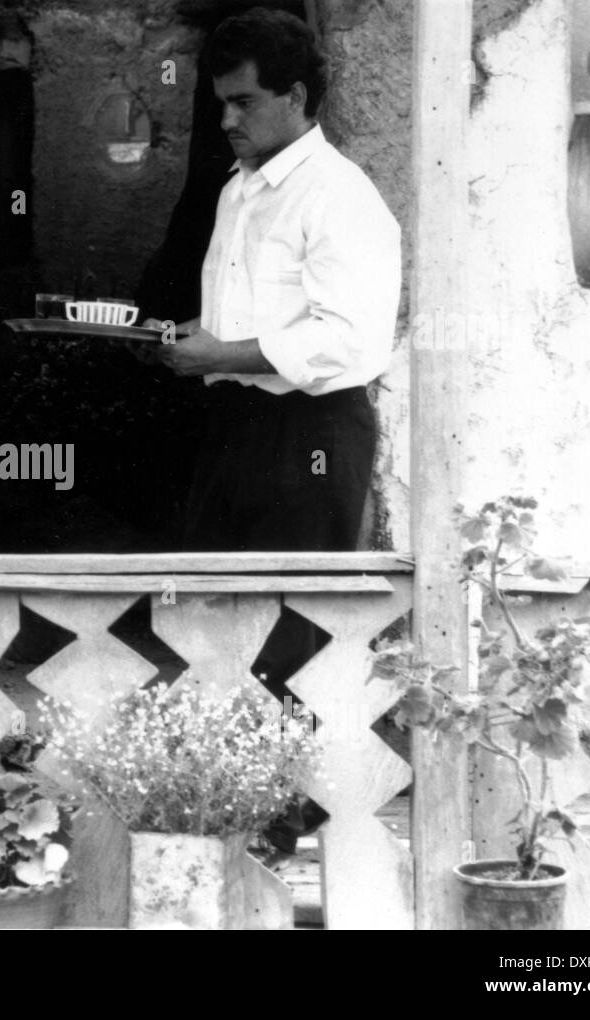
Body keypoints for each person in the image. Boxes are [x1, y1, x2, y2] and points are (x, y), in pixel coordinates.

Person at [145, 9, 402, 857]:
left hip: (310, 431)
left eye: (242, 102)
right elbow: (243, 319)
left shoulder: (340, 195)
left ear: (295, 96)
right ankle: (227, 814)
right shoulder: (237, 187)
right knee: (210, 616)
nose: (226, 120)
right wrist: (195, 340)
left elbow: (348, 339)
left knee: (292, 632)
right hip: (236, 425)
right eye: (218, 103)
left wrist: (225, 350)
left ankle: (291, 832)